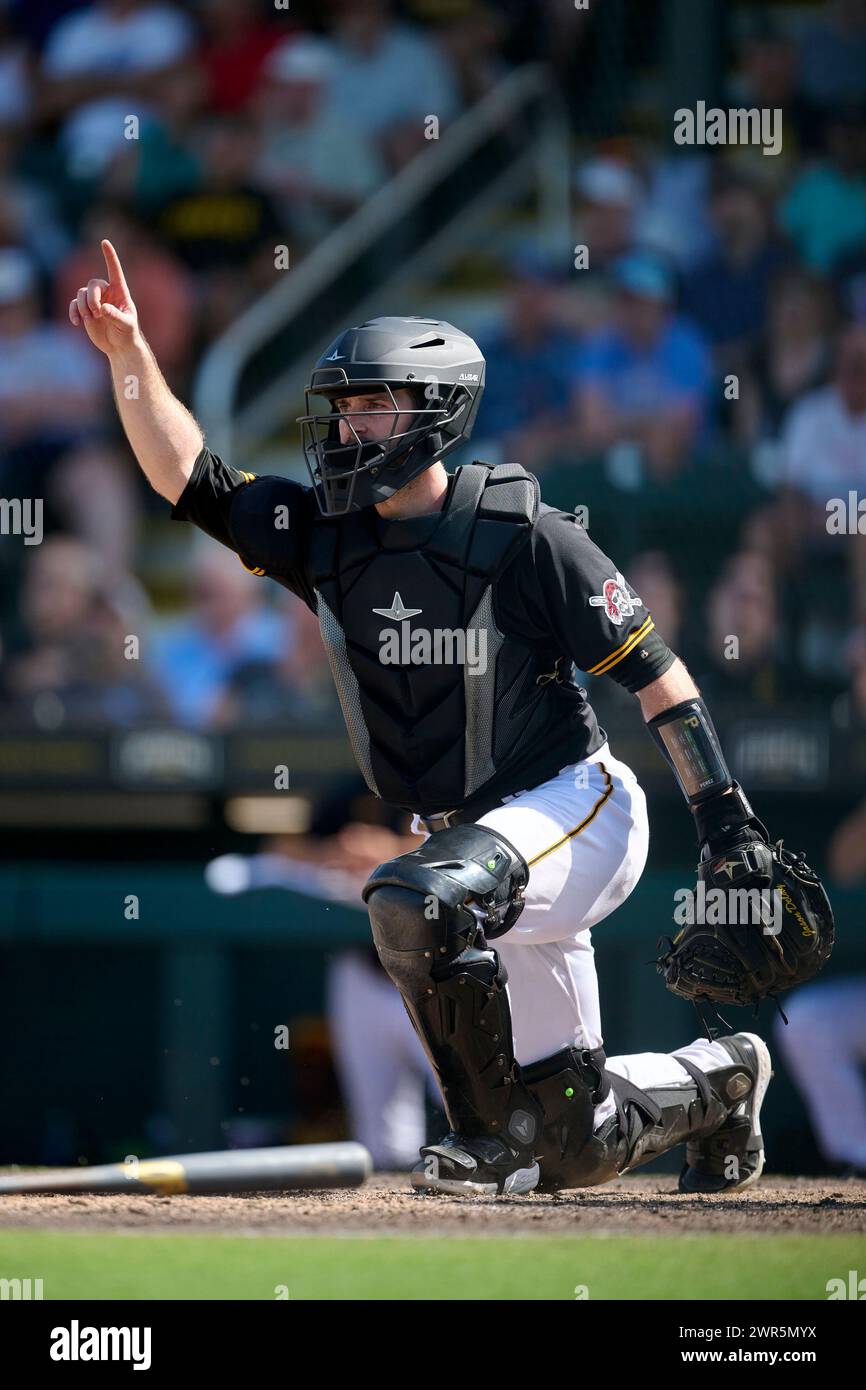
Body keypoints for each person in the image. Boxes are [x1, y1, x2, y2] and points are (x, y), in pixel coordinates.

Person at [69, 239, 821, 1198]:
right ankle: (718, 1080)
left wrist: (727, 822)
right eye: (341, 409)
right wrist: (131, 358)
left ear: (433, 414)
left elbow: (659, 676)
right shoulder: (327, 539)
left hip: (573, 808)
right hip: (472, 848)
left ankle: (483, 1142)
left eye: (370, 405)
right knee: (575, 1143)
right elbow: (191, 480)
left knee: (413, 901)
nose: (346, 429)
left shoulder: (523, 531)